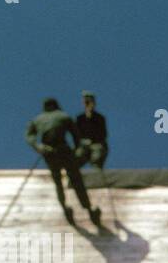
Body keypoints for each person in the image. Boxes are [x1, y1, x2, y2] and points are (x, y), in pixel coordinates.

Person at [25, 97, 100, 226]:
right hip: (63, 151)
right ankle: (89, 210)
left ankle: (65, 207)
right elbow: (77, 136)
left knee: (58, 181)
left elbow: (29, 136)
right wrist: (77, 152)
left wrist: (39, 147)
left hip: (49, 152)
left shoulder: (37, 119)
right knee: (76, 180)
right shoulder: (62, 115)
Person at [74, 91, 108, 170]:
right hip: (83, 145)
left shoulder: (100, 118)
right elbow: (76, 133)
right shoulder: (80, 118)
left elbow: (103, 134)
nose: (88, 104)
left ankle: (97, 178)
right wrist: (82, 142)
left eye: (90, 101)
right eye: (86, 102)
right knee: (76, 158)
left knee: (96, 158)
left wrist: (92, 140)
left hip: (96, 144)